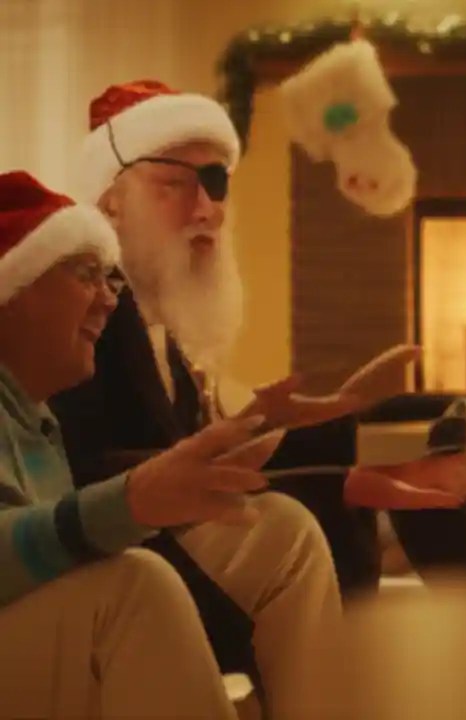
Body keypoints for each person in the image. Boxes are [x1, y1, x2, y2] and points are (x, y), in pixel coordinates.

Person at [52, 80, 466, 598]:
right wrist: (327, 475)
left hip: (190, 517)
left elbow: (178, 444)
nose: (208, 210)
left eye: (216, 184)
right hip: (156, 556)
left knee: (400, 419)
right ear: (110, 203)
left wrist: (270, 422)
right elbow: (78, 470)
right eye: (175, 185)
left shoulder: (160, 321)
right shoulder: (82, 315)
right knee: (351, 469)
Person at [0, 170, 343, 719]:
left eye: (111, 281)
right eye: (86, 275)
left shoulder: (34, 411)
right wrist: (134, 499)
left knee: (281, 532)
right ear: (12, 288)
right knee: (135, 585)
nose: (108, 302)